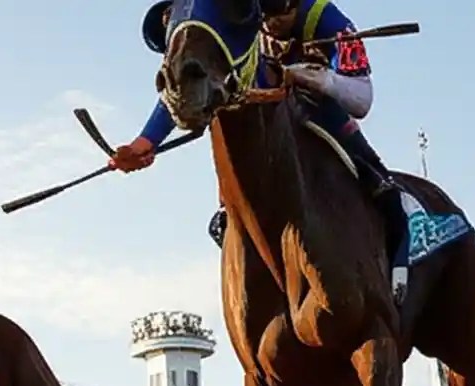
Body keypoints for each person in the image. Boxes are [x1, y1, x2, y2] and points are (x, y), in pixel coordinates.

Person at [118, 0, 409, 294]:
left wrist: (308, 76)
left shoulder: (327, 19)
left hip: (319, 109)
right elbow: (198, 77)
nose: (271, 22)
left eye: (279, 8)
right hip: (268, 125)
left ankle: (397, 244)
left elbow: (361, 98)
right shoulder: (244, 22)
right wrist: (145, 142)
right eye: (265, 12)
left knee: (383, 187)